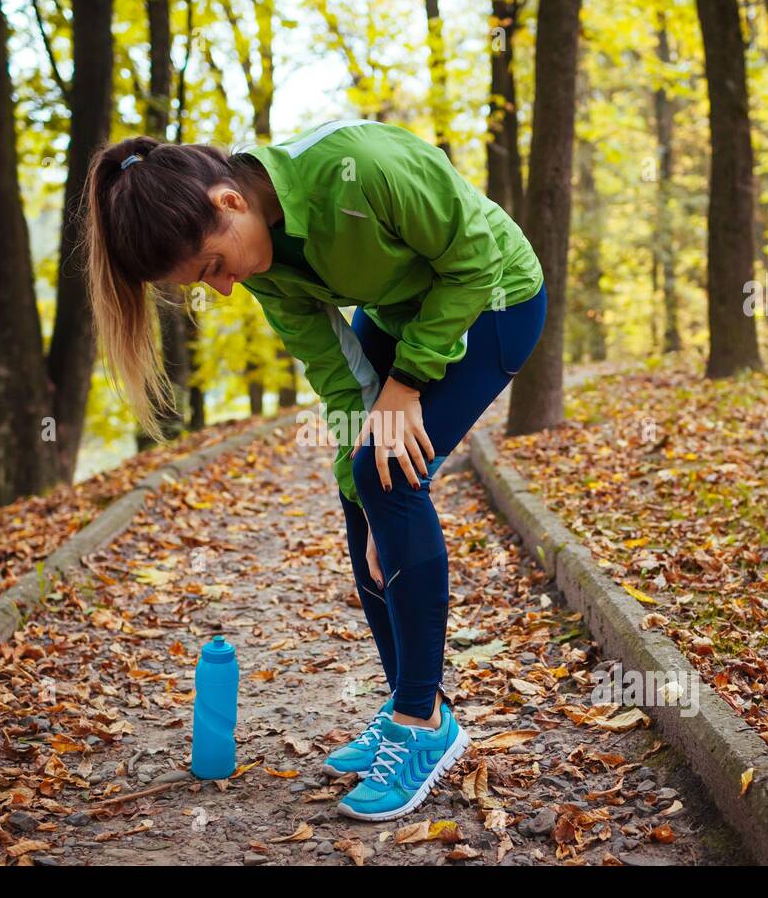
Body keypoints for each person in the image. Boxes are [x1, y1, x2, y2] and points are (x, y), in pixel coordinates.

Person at [83, 118, 546, 821]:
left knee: (389, 476)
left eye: (213, 267)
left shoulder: (357, 170)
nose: (227, 287)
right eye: (206, 284)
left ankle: (424, 726)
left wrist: (410, 382)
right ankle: (411, 702)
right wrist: (366, 507)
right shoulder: (263, 264)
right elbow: (338, 376)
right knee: (362, 480)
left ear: (229, 201)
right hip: (402, 313)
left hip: (493, 298)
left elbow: (474, 255)